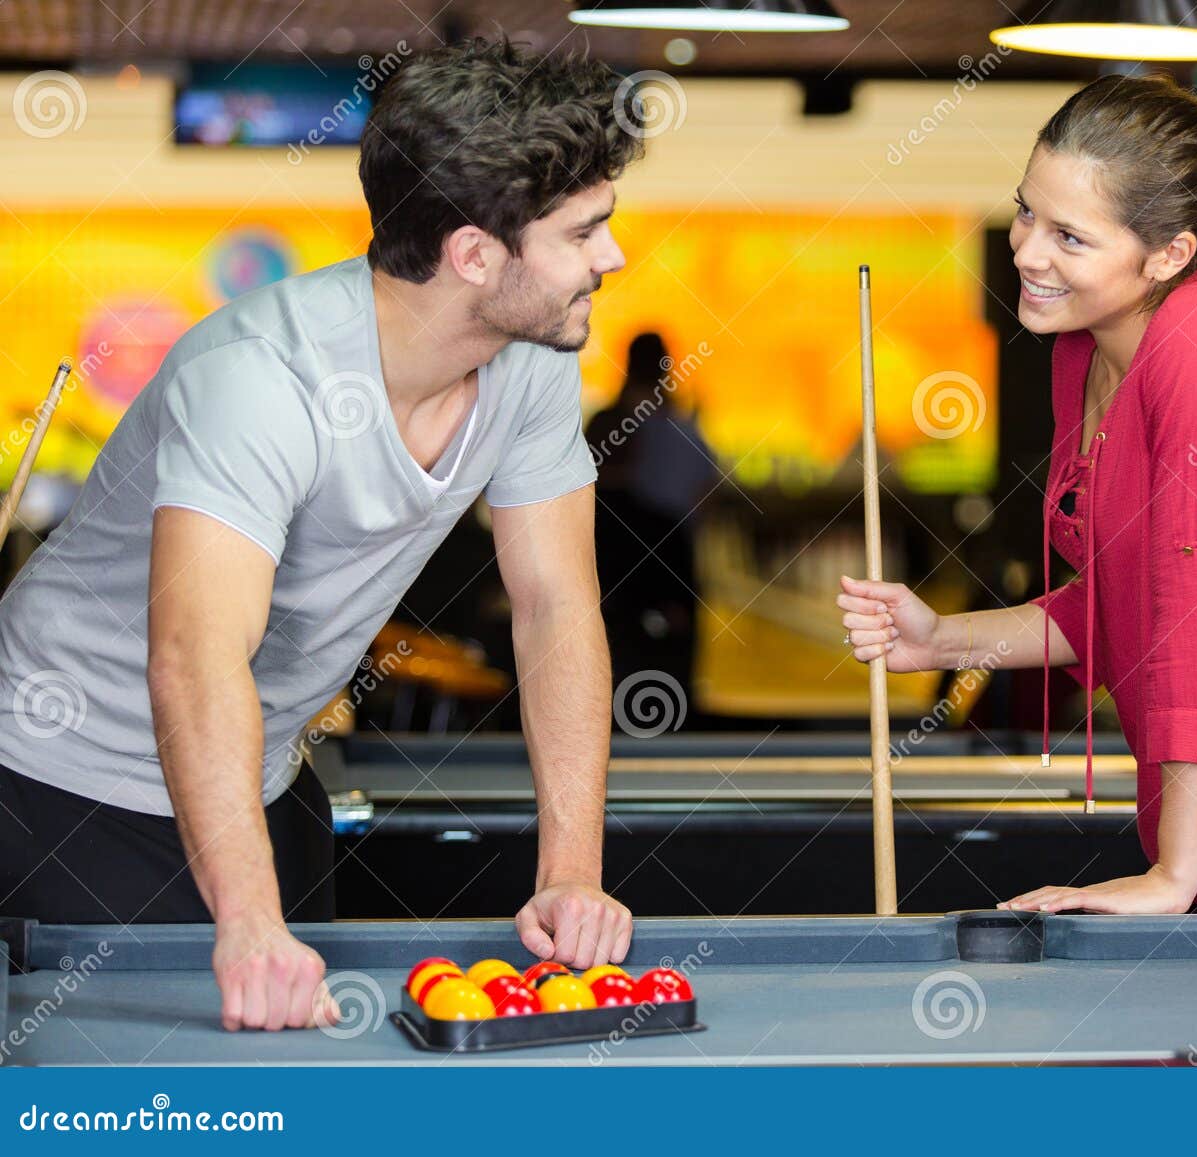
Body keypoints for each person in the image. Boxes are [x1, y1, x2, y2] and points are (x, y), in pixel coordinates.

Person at [0, 40, 640, 1031]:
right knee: (183, 1090)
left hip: (263, 773)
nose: (612, 257)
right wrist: (249, 920)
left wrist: (571, 873)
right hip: (65, 777)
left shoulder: (532, 363)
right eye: (585, 232)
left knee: (307, 1063)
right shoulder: (259, 379)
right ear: (475, 254)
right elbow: (195, 654)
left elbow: (554, 606)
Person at [838, 75, 1197, 915]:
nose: (1027, 251)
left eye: (1070, 236)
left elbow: (1193, 609)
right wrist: (940, 641)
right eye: (1028, 212)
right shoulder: (1081, 353)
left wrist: (1171, 875)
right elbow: (1118, 603)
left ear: (1169, 255)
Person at [587, 334, 716, 712]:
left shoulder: (609, 422)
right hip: (667, 568)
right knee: (670, 676)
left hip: (613, 571)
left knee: (618, 670)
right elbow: (705, 493)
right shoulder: (680, 429)